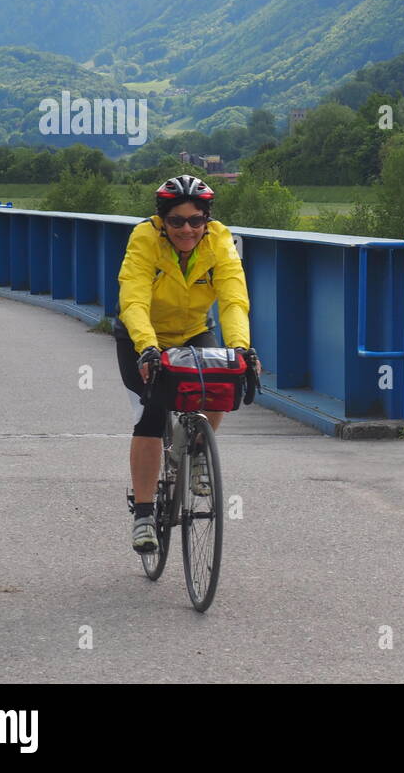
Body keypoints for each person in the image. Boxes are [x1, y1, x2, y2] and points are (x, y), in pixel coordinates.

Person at [114, 174, 262, 553]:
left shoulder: (219, 240)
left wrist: (242, 349)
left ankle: (195, 451)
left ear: (206, 219)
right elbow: (134, 300)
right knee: (152, 410)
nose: (187, 229)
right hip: (141, 336)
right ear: (162, 220)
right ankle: (144, 514)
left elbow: (232, 299)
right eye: (177, 221)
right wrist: (147, 348)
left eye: (196, 220)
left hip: (193, 330)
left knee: (220, 382)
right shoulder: (144, 238)